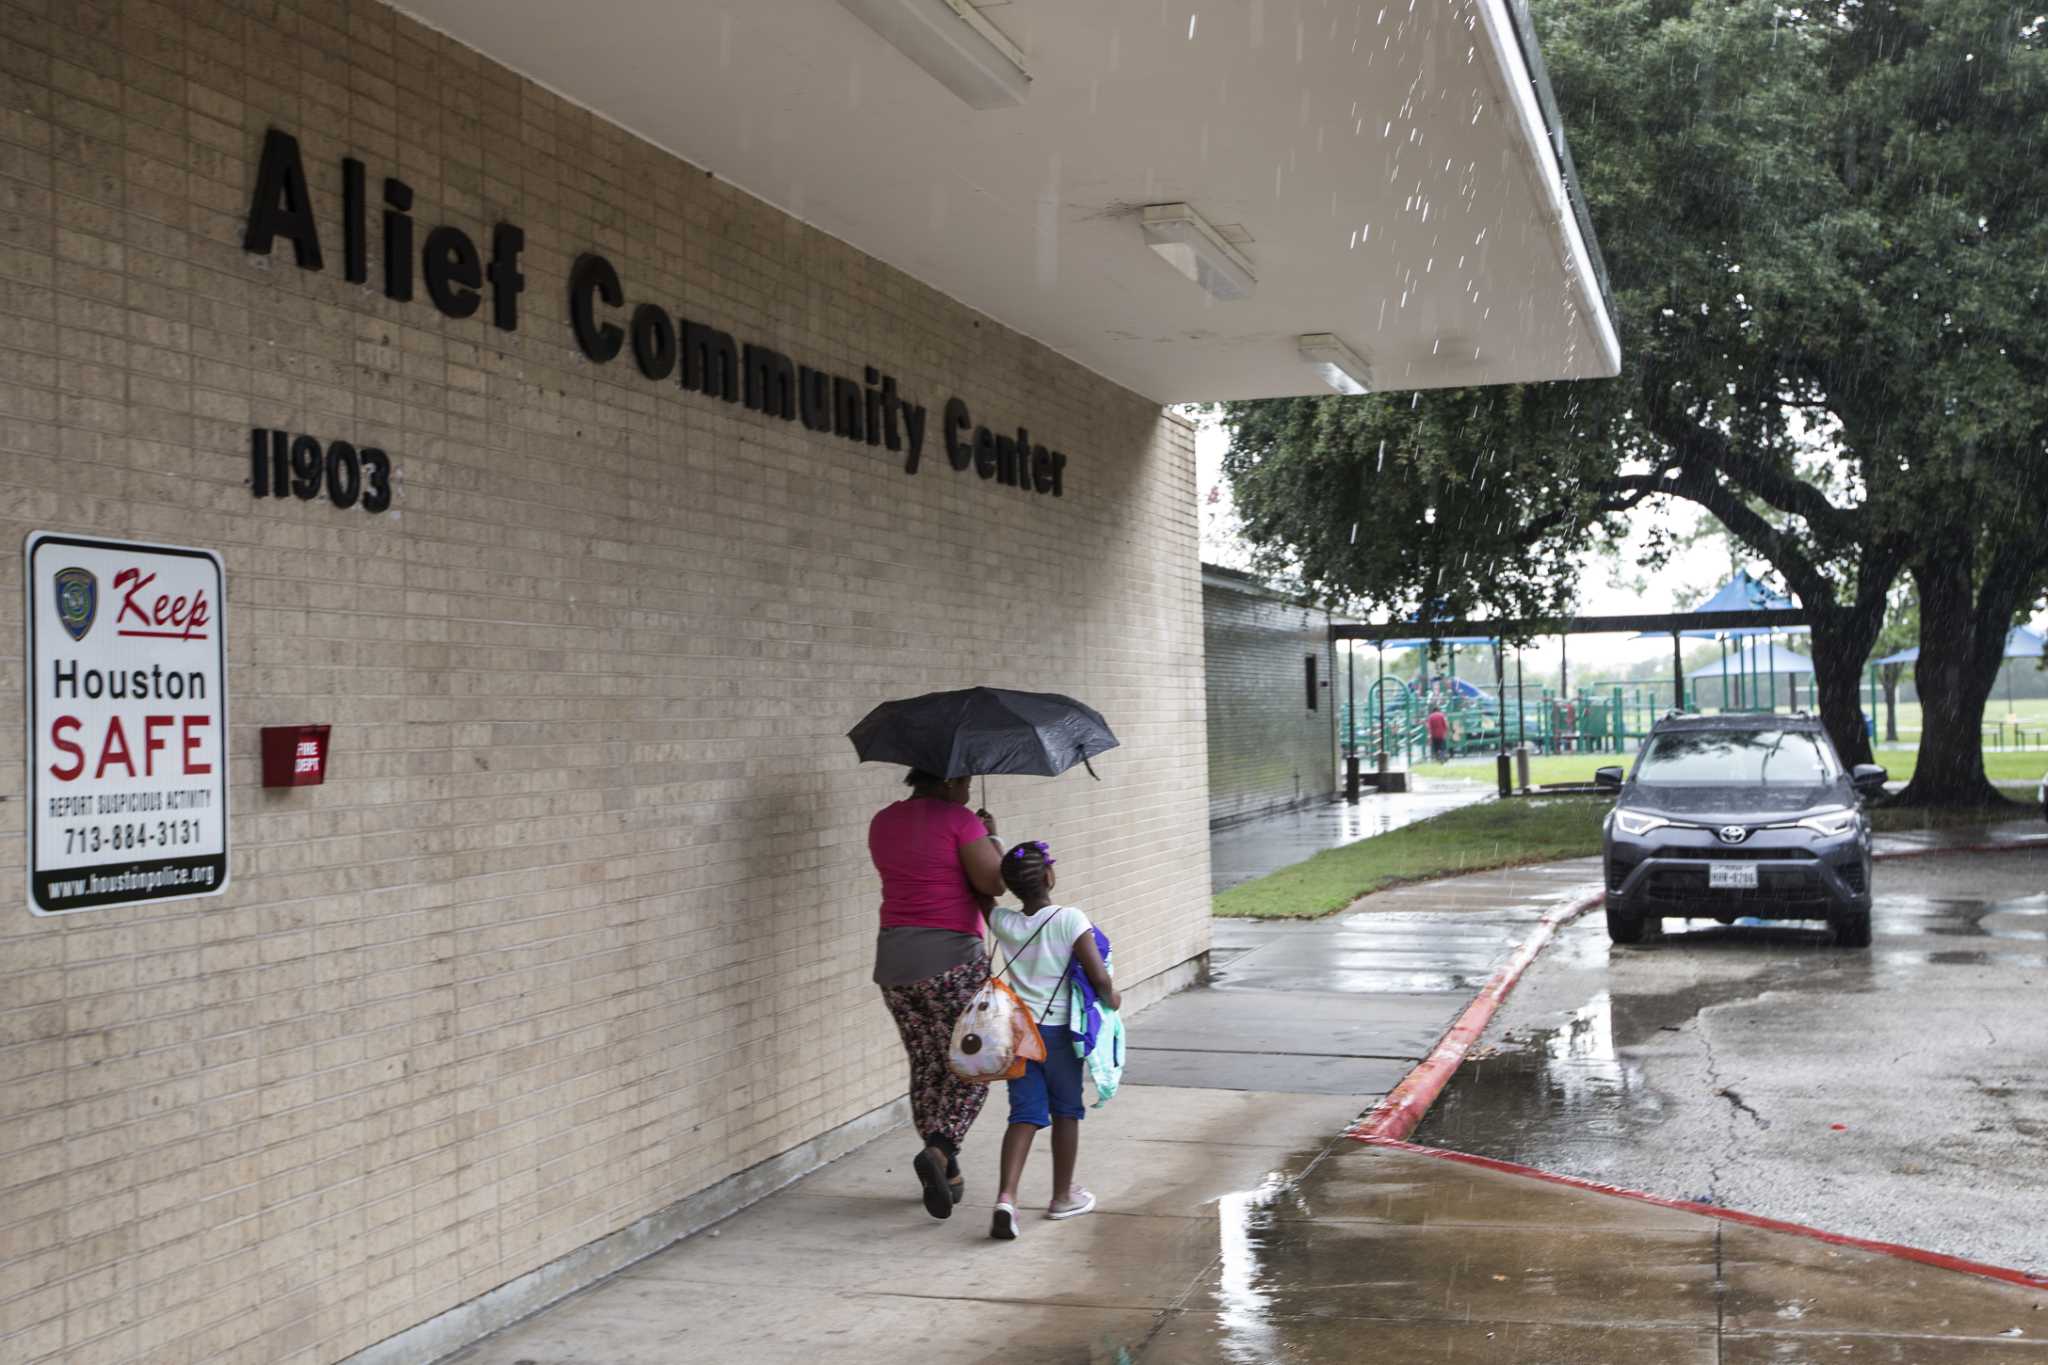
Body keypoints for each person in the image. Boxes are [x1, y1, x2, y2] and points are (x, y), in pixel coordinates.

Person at [870, 769, 1007, 1220]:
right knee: (976, 1063)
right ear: (948, 781)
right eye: (965, 779)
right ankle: (942, 1147)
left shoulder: (883, 821)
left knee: (928, 1064)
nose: (969, 787)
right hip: (951, 961)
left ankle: (946, 1171)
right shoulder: (961, 820)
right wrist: (991, 839)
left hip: (894, 962)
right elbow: (993, 883)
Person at [985, 840, 1120, 1241]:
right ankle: (1062, 1196)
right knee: (1066, 1111)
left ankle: (1006, 1199)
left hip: (1018, 1034)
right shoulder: (1070, 918)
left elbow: (983, 893)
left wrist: (993, 844)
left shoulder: (1003, 922)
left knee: (1023, 1115)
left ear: (1009, 883)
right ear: (1049, 876)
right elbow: (1098, 977)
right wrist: (1112, 997)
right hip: (1059, 1034)